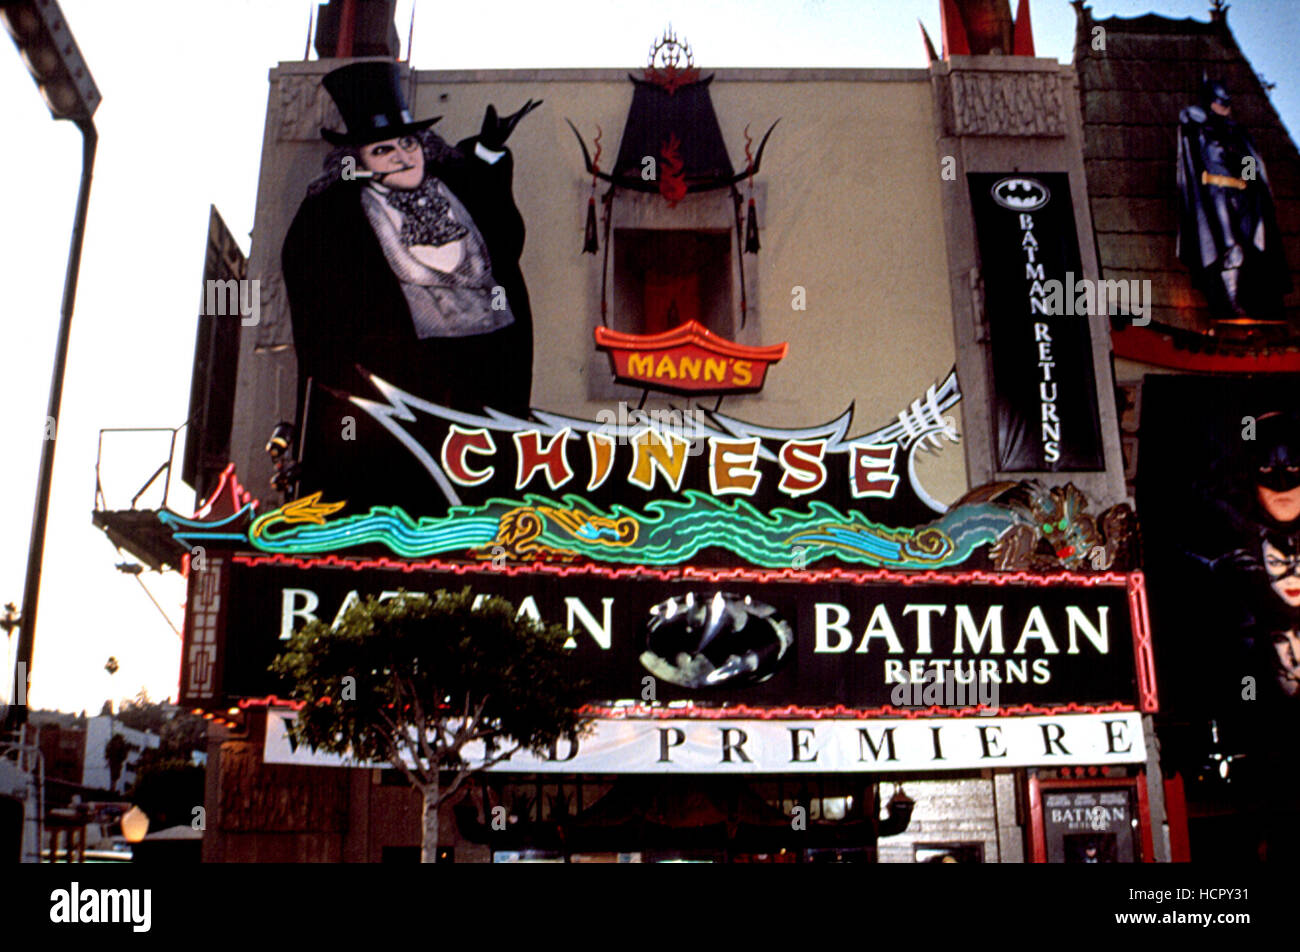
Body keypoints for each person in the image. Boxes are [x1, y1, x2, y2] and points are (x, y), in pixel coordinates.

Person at [279, 62, 540, 508]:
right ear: (356, 161)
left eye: (408, 142)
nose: (404, 156)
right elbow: (316, 307)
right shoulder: (333, 216)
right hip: (403, 385)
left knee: (479, 498)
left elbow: (506, 237)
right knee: (407, 504)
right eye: (384, 150)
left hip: (485, 379)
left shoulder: (456, 187)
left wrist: (492, 148)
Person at [1176, 78, 1290, 321]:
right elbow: (1191, 126)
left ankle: (1247, 300)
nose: (1224, 108)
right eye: (1219, 103)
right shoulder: (1199, 126)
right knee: (1229, 246)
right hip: (1215, 192)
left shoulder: (1236, 132)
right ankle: (1231, 302)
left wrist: (1247, 181)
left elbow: (1249, 162)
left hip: (1239, 193)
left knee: (1249, 243)